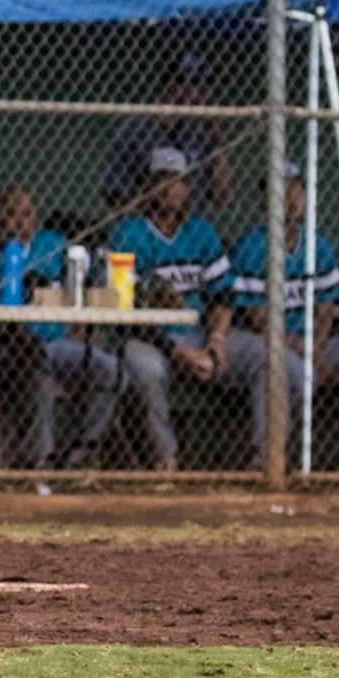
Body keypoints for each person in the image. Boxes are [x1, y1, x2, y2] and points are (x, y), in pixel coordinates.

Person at [0, 185, 119, 470]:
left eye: (26, 215)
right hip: (0, 348)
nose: (19, 222)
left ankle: (81, 449)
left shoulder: (52, 246)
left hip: (55, 342)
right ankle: (37, 460)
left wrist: (51, 299)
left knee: (110, 370)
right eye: (11, 214)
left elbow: (77, 289)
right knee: (35, 373)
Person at [106, 147, 235, 471]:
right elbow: (126, 315)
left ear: (187, 187)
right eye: (160, 180)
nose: (169, 188)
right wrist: (181, 353)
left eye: (176, 180)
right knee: (147, 370)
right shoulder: (127, 234)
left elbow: (224, 296)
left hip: (202, 335)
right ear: (146, 187)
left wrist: (217, 340)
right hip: (151, 341)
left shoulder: (201, 231)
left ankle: (265, 460)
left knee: (270, 359)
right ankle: (166, 461)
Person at [224, 161, 339, 468]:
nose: (292, 199)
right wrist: (307, 351)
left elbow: (326, 310)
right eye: (283, 191)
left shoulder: (319, 246)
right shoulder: (252, 247)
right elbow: (259, 320)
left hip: (317, 343)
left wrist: (316, 348)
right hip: (272, 342)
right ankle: (269, 457)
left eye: (297, 190)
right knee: (290, 369)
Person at [103, 52, 233, 215]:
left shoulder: (199, 131)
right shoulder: (134, 128)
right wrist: (158, 220)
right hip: (145, 228)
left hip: (194, 228)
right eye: (191, 82)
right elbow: (115, 195)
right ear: (170, 84)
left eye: (204, 84)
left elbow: (224, 197)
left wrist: (217, 146)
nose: (199, 91)